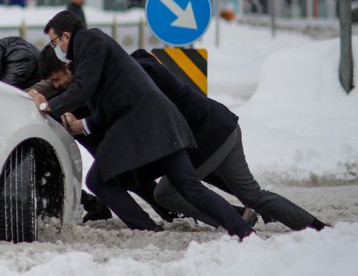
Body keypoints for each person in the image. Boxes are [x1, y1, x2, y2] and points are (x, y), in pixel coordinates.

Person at [37, 10, 253, 239]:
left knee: (98, 180)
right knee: (192, 189)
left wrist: (48, 107)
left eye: (54, 41)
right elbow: (109, 103)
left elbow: (84, 88)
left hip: (144, 126)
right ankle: (243, 231)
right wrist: (84, 124)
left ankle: (148, 230)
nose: (56, 48)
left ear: (66, 36)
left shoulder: (89, 41)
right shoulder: (91, 51)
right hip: (158, 126)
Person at [130, 50, 328, 232]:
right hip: (226, 126)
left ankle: (234, 219)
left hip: (209, 138)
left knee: (166, 192)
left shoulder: (143, 78)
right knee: (253, 195)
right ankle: (317, 227)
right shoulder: (148, 70)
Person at [31, 46, 181, 224]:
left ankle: (148, 224)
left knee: (104, 179)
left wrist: (76, 119)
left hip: (131, 133)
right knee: (130, 178)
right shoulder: (70, 74)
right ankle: (171, 217)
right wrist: (33, 94)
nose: (56, 84)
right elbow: (50, 86)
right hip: (117, 139)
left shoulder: (93, 75)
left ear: (68, 67)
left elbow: (108, 108)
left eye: (57, 79)